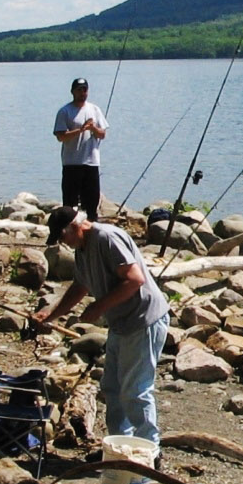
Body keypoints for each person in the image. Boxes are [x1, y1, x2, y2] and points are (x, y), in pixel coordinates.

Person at [30, 206, 169, 453]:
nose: (64, 244)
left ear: (75, 227)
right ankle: (119, 449)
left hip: (144, 320)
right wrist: (51, 314)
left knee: (135, 390)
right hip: (121, 324)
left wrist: (98, 307)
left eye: (63, 237)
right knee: (112, 389)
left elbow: (135, 279)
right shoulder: (82, 249)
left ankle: (150, 450)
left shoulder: (106, 237)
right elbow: (79, 286)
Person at [53, 77, 107, 220]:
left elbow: (102, 134)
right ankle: (66, 232)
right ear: (73, 91)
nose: (82, 93)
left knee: (91, 201)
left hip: (91, 162)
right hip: (72, 163)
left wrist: (93, 128)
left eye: (85, 90)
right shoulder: (65, 111)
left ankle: (91, 231)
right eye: (79, 90)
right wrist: (80, 130)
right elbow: (61, 136)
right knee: (70, 203)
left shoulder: (95, 109)